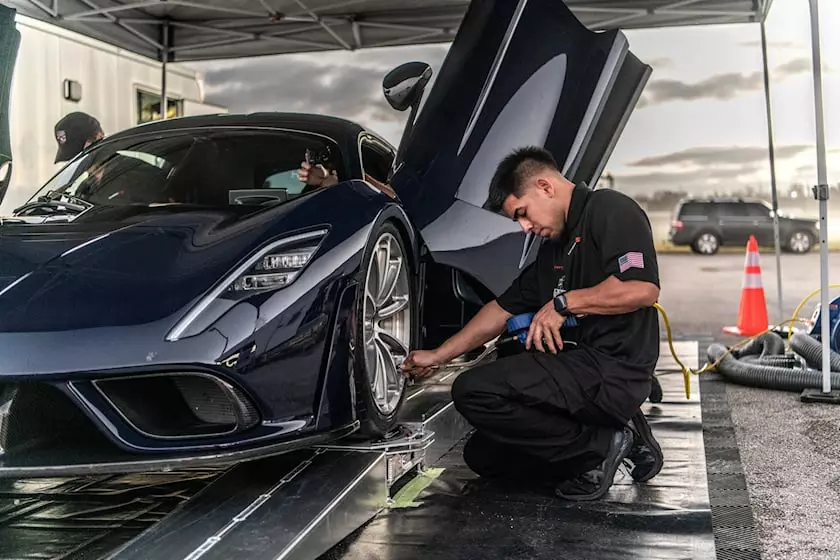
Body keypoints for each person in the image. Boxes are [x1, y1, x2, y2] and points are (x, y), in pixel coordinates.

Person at [401, 146, 664, 502]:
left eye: (523, 214)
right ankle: (618, 430)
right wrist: (438, 355)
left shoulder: (610, 209)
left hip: (614, 367)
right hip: (578, 369)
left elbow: (641, 289)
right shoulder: (553, 247)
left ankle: (601, 446)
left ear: (545, 186)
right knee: (484, 456)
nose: (526, 227)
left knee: (474, 391)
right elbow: (502, 308)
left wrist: (565, 303)